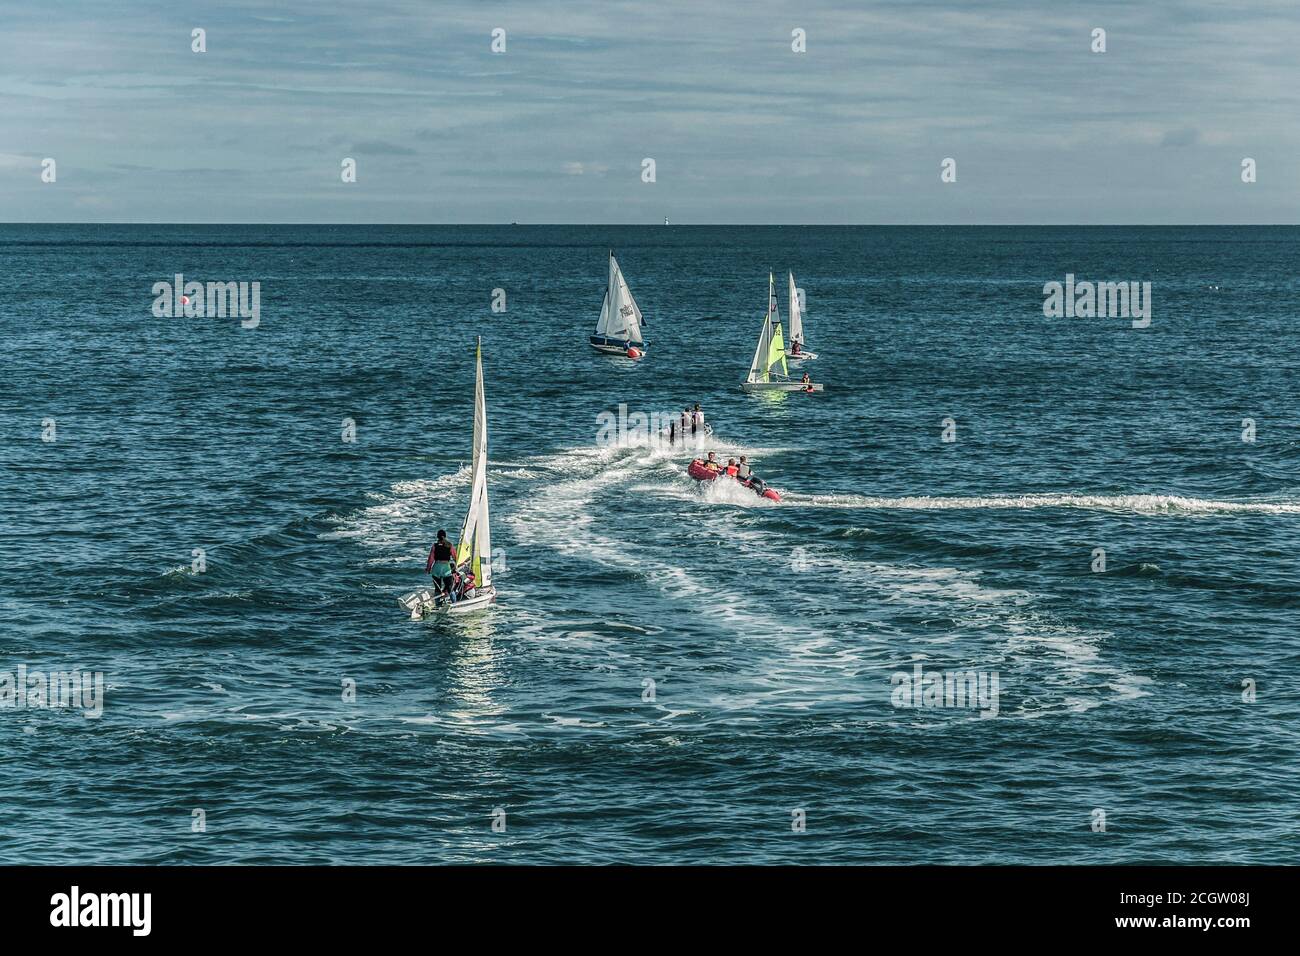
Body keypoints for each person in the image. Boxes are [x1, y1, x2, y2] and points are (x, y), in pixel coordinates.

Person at [426, 530, 457, 599]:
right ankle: (454, 604)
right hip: (446, 568)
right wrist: (457, 564)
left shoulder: (435, 546)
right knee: (450, 588)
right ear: (445, 536)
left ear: (437, 537)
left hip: (436, 568)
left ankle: (438, 605)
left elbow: (431, 559)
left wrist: (428, 569)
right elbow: (455, 556)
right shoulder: (450, 545)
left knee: (437, 589)